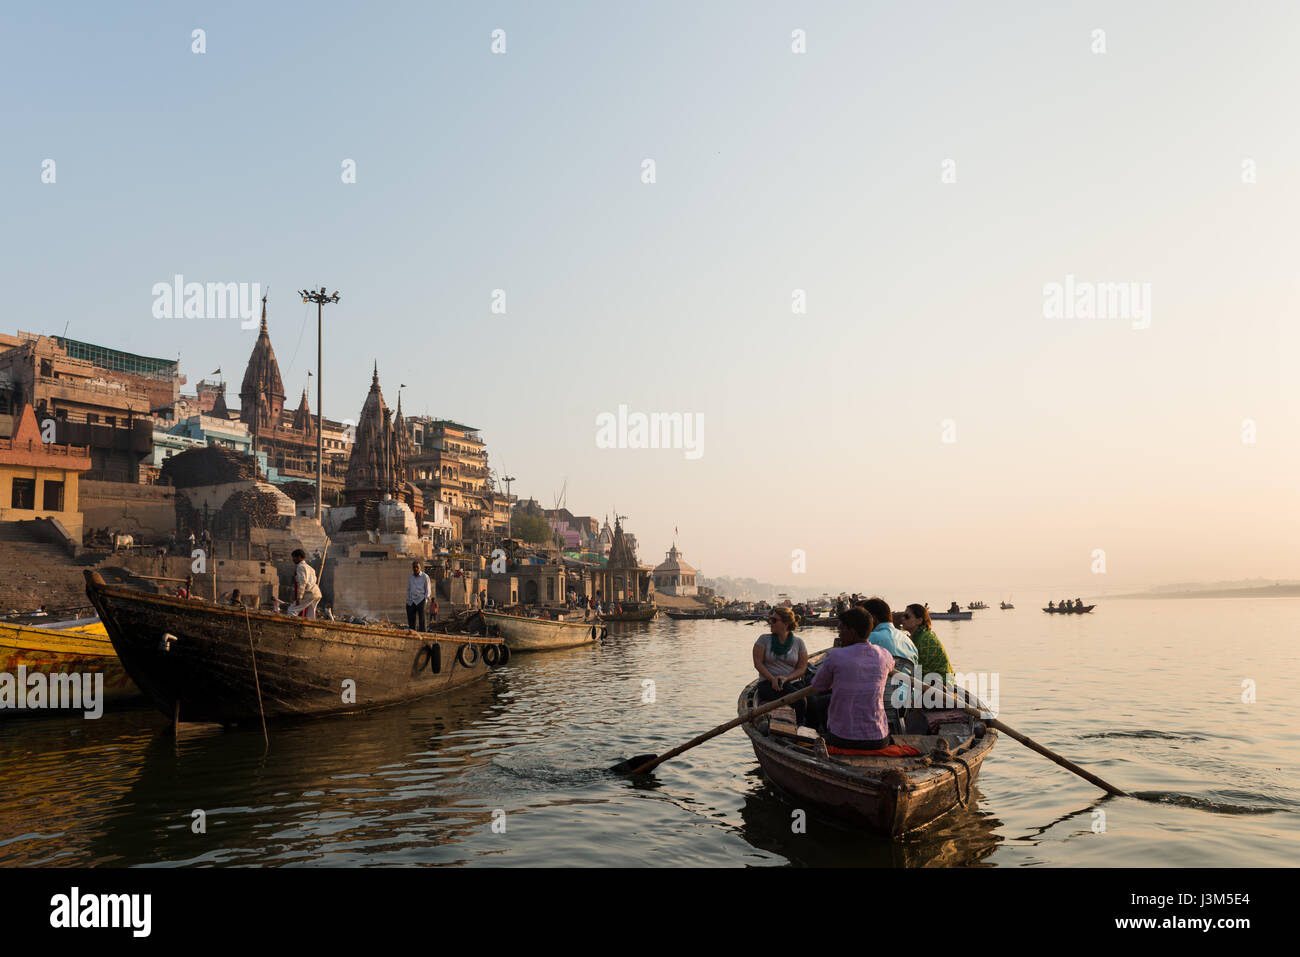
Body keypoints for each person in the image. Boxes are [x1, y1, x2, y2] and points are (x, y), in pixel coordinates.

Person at [804, 608, 894, 751]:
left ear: (851, 631)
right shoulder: (885, 655)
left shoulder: (835, 656)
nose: (839, 633)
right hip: (880, 738)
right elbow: (890, 666)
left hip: (843, 738)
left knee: (814, 703)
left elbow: (818, 686)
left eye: (841, 629)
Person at [752, 607, 810, 724]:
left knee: (813, 703)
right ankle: (798, 730)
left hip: (792, 682)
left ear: (786, 623)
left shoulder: (798, 642)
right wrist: (773, 679)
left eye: (774, 620)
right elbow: (758, 663)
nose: (770, 622)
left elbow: (802, 667)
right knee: (800, 701)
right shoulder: (763, 640)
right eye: (770, 619)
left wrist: (787, 678)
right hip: (768, 684)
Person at [898, 604, 954, 685]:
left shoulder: (925, 639)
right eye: (902, 616)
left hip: (941, 685)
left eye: (907, 616)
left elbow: (918, 671)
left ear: (919, 620)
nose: (902, 618)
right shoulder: (919, 636)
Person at [860, 597, 919, 671]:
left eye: (862, 620)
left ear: (873, 619)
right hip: (907, 682)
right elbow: (917, 674)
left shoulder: (868, 639)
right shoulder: (910, 644)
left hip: (879, 682)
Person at [289, 548, 321, 618]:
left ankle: (292, 627)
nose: (293, 560)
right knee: (311, 615)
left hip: (309, 593)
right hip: (317, 592)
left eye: (294, 557)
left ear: (299, 557)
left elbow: (302, 583)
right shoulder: (310, 568)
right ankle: (310, 628)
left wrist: (299, 598)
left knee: (292, 610)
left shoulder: (300, 567)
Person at [407, 561, 432, 631]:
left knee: (422, 620)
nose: (415, 568)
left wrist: (425, 600)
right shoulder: (410, 577)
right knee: (411, 620)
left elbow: (428, 590)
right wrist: (408, 599)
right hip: (411, 600)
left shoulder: (425, 577)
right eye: (414, 567)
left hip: (421, 600)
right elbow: (409, 589)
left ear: (420, 567)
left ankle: (423, 634)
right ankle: (412, 633)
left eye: (417, 567)